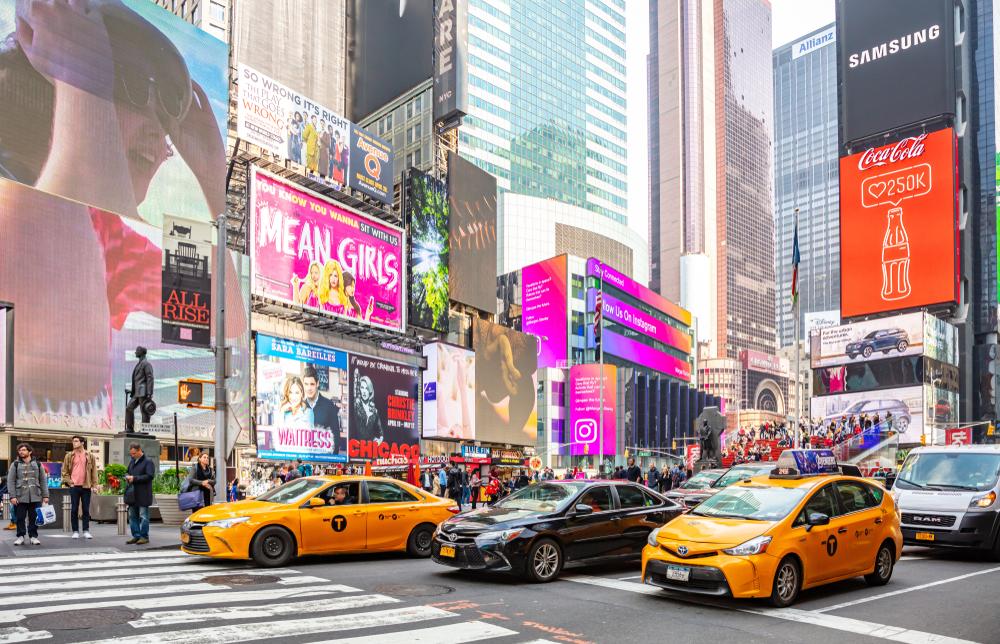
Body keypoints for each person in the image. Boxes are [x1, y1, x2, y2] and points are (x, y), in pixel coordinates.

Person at [10, 443, 48, 546]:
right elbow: (11, 481)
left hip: (35, 495)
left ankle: (33, 536)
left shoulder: (38, 464)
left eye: (23, 450)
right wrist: (12, 496)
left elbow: (43, 481)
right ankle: (20, 536)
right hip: (20, 496)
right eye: (20, 450)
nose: (21, 452)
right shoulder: (15, 464)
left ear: (29, 451)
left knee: (34, 518)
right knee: (20, 518)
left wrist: (45, 496)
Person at [61, 435, 97, 539]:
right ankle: (75, 531)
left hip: (86, 486)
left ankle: (86, 530)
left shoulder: (89, 455)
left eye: (76, 441)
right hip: (74, 486)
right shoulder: (69, 456)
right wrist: (70, 481)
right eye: (73, 441)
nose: (74, 443)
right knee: (74, 509)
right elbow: (64, 471)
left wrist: (94, 485)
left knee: (86, 509)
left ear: (82, 443)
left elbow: (94, 471)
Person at [302, 366, 342, 455]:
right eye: (306, 384)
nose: (309, 388)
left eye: (312, 384)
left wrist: (332, 461)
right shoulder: (300, 406)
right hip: (304, 459)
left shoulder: (329, 406)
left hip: (324, 459)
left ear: (317, 384)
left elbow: (336, 437)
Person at [125, 442, 154, 545]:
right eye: (131, 454)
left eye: (134, 453)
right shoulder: (132, 461)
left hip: (143, 494)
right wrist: (127, 476)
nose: (132, 456)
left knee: (143, 517)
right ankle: (136, 536)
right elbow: (127, 471)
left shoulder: (148, 461)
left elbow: (150, 476)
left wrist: (134, 478)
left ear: (139, 450)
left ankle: (144, 536)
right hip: (133, 494)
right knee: (132, 516)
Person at [126, 346, 154, 432]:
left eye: (137, 351)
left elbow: (150, 378)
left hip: (144, 392)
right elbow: (137, 381)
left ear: (141, 352)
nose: (135, 352)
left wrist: (149, 393)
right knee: (129, 408)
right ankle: (130, 428)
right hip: (137, 393)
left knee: (144, 411)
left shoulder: (146, 364)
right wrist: (132, 391)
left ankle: (144, 430)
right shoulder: (139, 364)